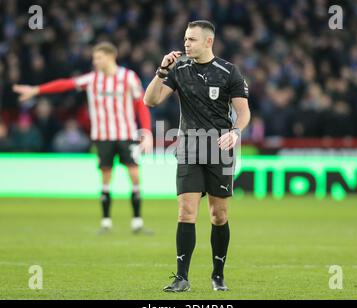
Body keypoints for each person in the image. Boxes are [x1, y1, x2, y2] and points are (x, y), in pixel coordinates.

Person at [144, 20, 250, 292]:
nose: (186, 43)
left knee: (219, 215)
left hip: (220, 150)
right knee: (186, 211)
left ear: (208, 42)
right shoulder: (179, 69)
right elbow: (150, 101)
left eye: (191, 39)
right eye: (185, 38)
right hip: (189, 147)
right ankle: (182, 278)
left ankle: (217, 274)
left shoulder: (229, 72)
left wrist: (235, 132)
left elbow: (244, 112)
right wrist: (161, 70)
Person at [13, 42, 153, 234]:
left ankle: (137, 222)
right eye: (94, 58)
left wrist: (145, 132)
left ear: (111, 56)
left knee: (134, 176)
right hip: (102, 136)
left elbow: (141, 105)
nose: (95, 61)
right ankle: (106, 223)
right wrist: (37, 90)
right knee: (105, 178)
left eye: (98, 58)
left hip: (126, 135)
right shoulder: (92, 79)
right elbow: (64, 85)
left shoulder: (128, 78)